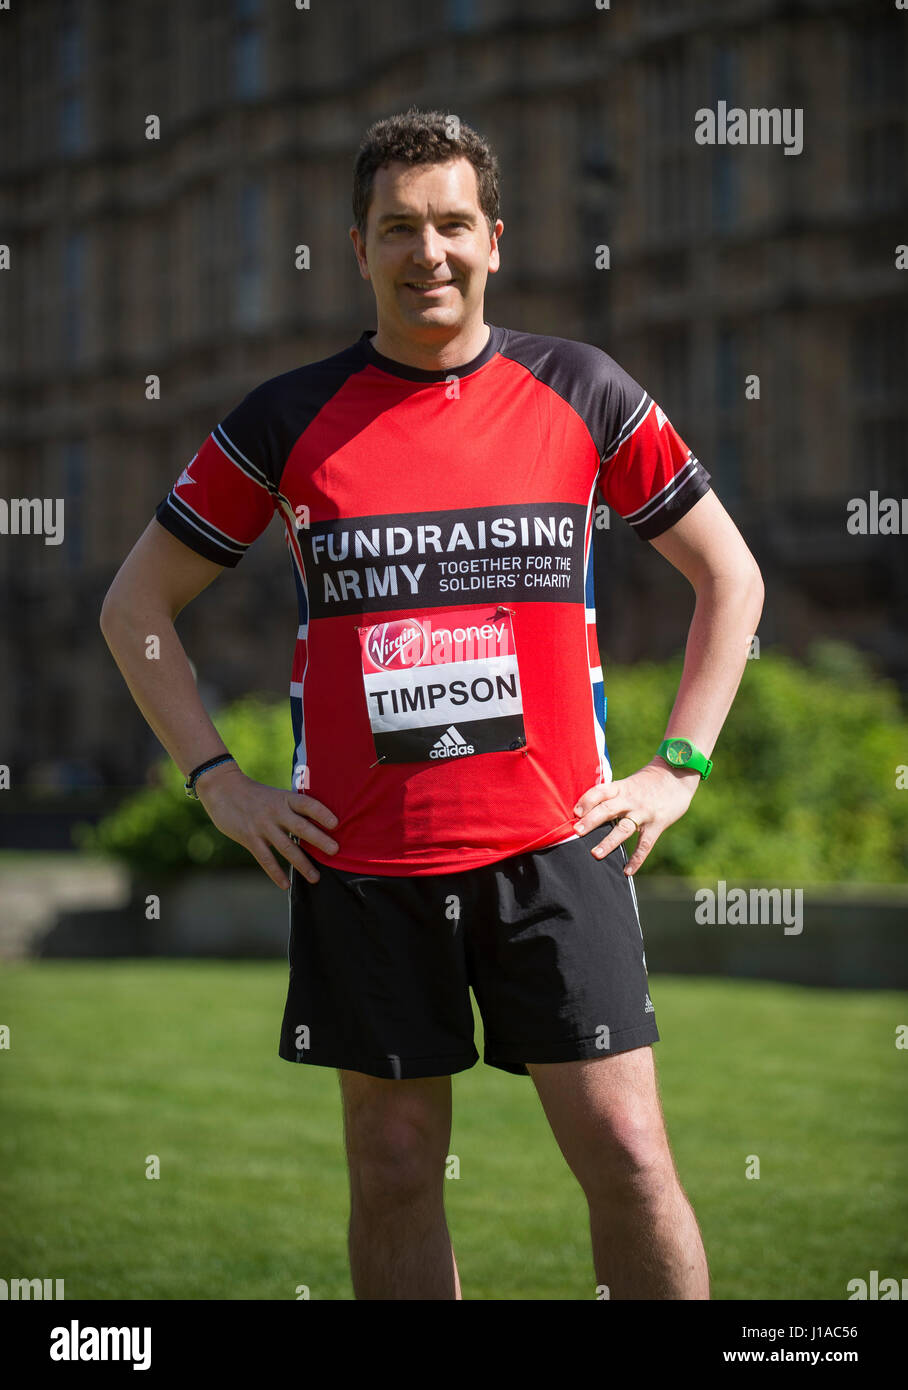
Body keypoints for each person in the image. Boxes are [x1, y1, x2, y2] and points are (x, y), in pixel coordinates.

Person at [100, 108, 764, 1301]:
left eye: (453, 223)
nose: (429, 252)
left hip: (559, 849)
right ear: (357, 248)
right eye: (398, 228)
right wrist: (219, 780)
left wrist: (677, 763)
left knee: (624, 1151)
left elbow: (731, 573)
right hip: (364, 864)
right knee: (395, 1163)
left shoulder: (581, 385)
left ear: (494, 239)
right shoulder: (283, 417)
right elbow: (134, 604)